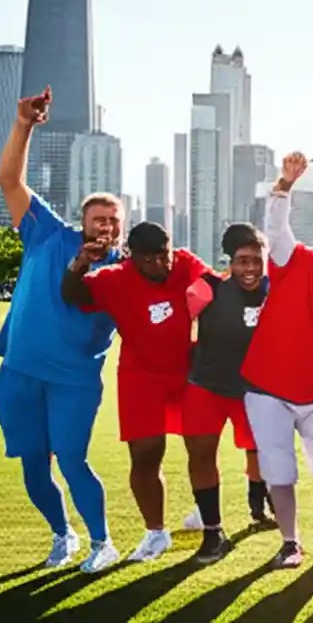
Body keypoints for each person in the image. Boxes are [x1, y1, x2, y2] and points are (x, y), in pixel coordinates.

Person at [0, 86, 122, 573]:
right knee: (32, 465)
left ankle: (101, 541)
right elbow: (8, 180)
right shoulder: (47, 232)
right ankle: (61, 534)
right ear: (81, 221)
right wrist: (23, 125)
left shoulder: (125, 273)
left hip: (74, 381)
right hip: (20, 372)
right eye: (97, 219)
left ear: (122, 228)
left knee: (72, 460)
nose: (105, 226)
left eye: (113, 221)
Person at [62, 220, 210, 563]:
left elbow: (215, 290)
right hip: (141, 377)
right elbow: (71, 293)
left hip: (189, 373)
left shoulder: (187, 264)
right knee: (145, 456)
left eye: (163, 255)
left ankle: (207, 514)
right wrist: (81, 261)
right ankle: (156, 533)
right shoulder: (114, 278)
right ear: (132, 257)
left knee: (201, 448)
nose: (158, 264)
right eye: (147, 259)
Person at [240, 152, 313, 568]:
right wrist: (285, 184)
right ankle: (290, 542)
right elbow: (275, 226)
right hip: (267, 388)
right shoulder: (294, 260)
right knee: (278, 469)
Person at [178, 223, 276, 563]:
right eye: (242, 261)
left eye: (256, 260)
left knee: (263, 452)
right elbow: (174, 328)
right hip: (207, 385)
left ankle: (259, 496)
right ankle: (212, 531)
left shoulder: (277, 290)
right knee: (201, 455)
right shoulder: (207, 289)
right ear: (230, 262)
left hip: (256, 390)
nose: (250, 269)